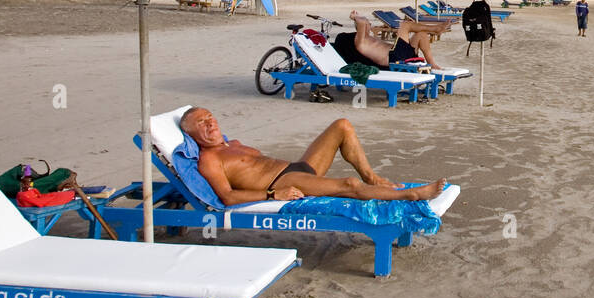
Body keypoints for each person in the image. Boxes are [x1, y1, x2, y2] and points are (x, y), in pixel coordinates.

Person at [180, 109, 446, 203]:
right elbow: (227, 197)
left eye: (210, 117)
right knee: (349, 185)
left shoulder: (232, 144)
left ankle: (373, 177)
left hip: (296, 168)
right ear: (191, 134)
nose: (210, 124)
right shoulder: (209, 160)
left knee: (342, 125)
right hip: (281, 184)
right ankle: (410, 195)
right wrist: (274, 195)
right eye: (201, 123)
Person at [332, 10, 451, 69]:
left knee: (421, 35)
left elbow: (364, 24)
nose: (369, 25)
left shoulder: (371, 40)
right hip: (394, 58)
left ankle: (432, 64)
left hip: (401, 55)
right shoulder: (360, 43)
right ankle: (435, 29)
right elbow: (362, 23)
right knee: (405, 25)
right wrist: (355, 16)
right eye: (368, 24)